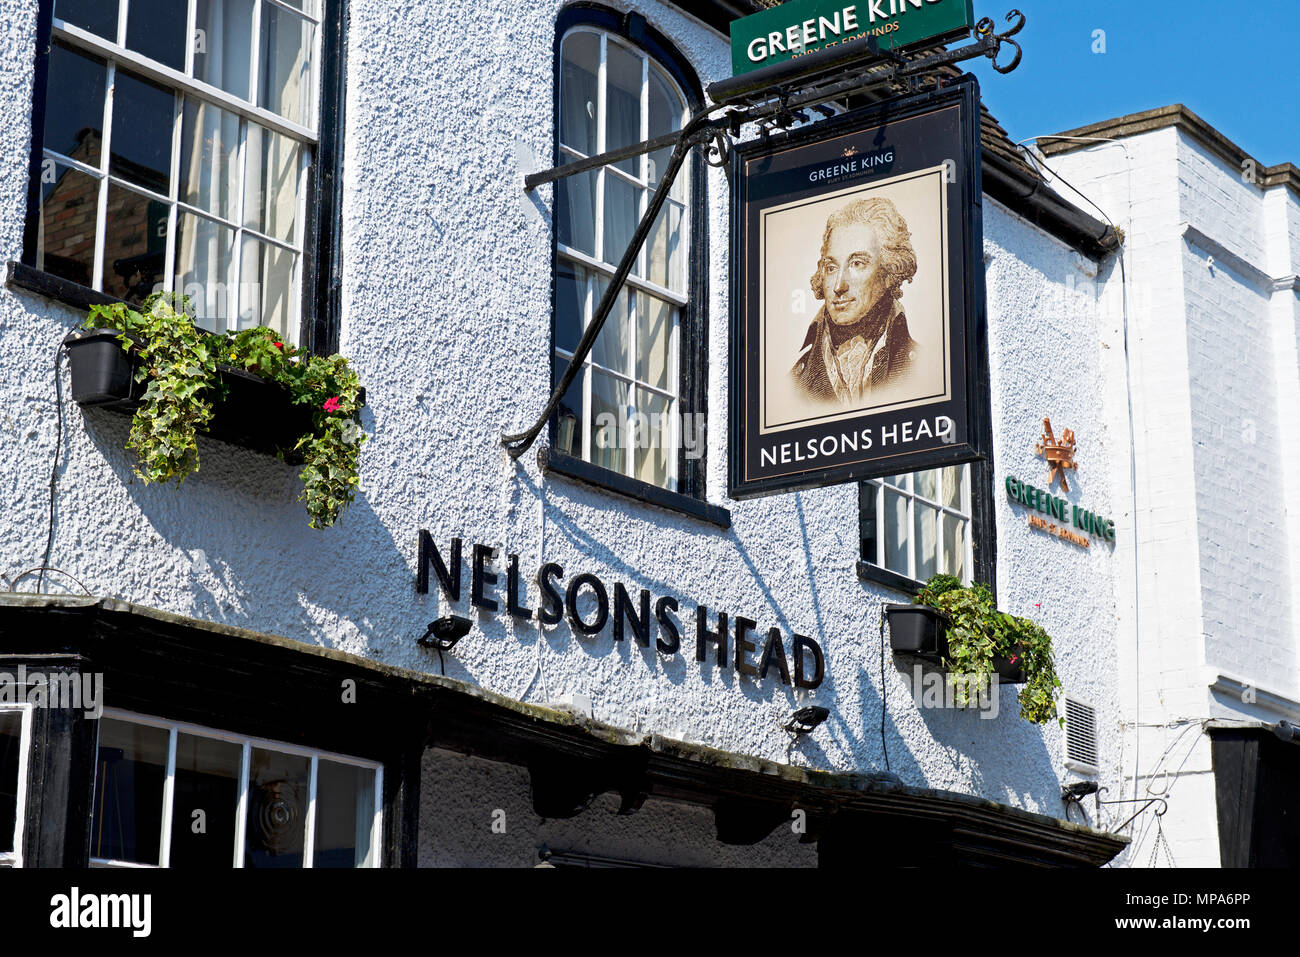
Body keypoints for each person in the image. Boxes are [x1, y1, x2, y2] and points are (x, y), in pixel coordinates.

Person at [791, 196, 920, 407]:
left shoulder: (920, 367)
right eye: (831, 268)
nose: (839, 285)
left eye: (857, 263)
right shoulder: (795, 384)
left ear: (889, 271)